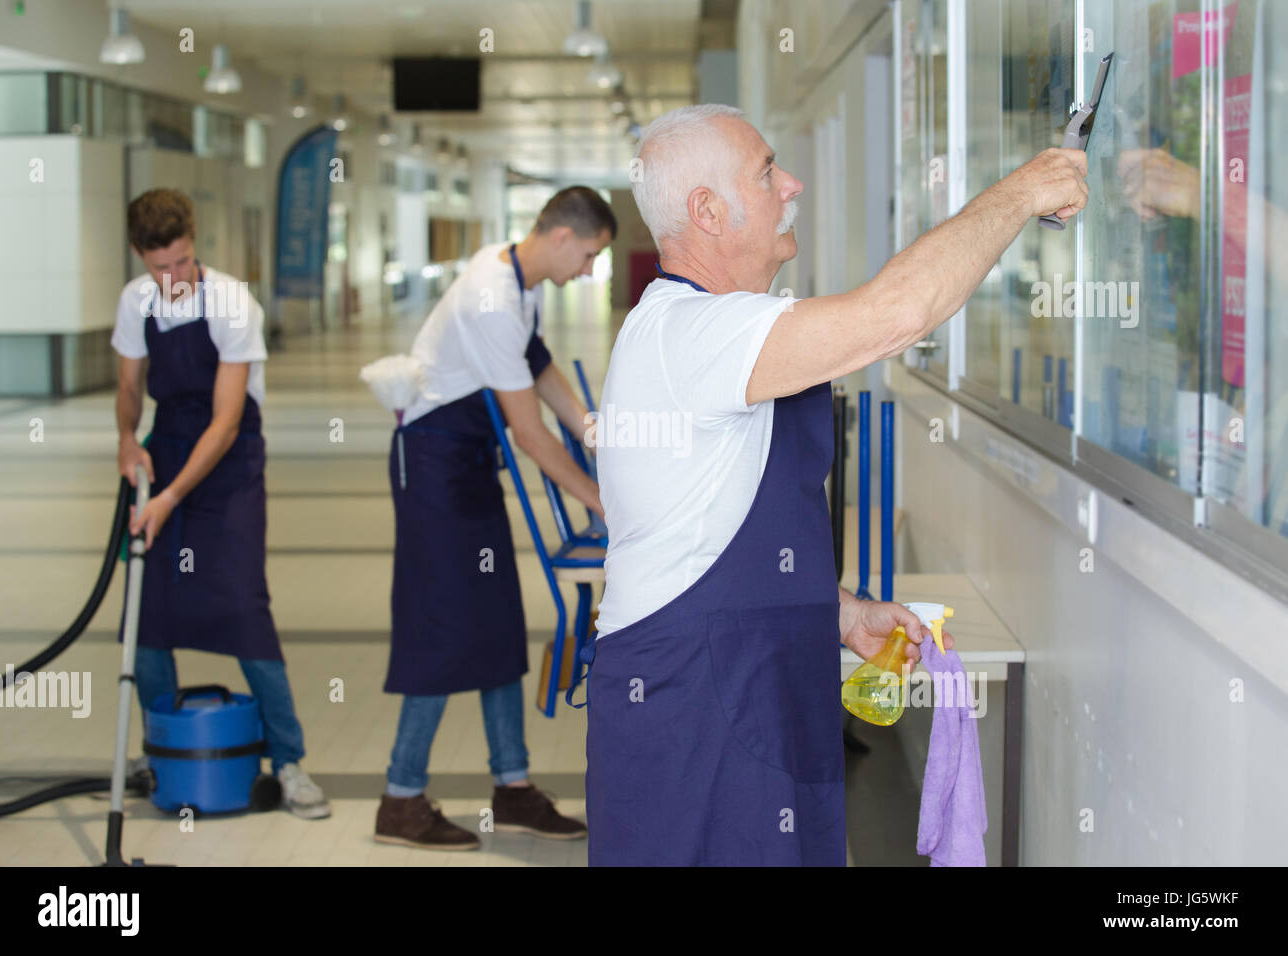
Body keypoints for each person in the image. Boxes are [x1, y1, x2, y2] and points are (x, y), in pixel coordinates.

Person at [585, 103, 1088, 865]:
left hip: (759, 693)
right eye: (766, 171)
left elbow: (716, 522)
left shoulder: (730, 326)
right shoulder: (690, 334)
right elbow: (898, 314)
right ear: (708, 211)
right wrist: (1023, 191)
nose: (792, 184)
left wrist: (841, 612)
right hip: (693, 716)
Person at [374, 186, 613, 851]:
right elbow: (531, 435)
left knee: (499, 624)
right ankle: (400, 798)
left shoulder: (516, 277)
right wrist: (603, 501)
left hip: (466, 465)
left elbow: (538, 365)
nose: (589, 271)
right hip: (430, 467)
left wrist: (596, 433)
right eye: (590, 256)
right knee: (443, 630)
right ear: (563, 237)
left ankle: (512, 788)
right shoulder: (490, 295)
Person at [112, 188, 329, 819]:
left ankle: (288, 761)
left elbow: (228, 419)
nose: (171, 278)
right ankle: (162, 751)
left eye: (181, 262)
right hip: (166, 450)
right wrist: (129, 440)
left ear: (194, 244)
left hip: (227, 465)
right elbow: (130, 387)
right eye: (159, 266)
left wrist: (173, 497)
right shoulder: (136, 301)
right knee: (147, 612)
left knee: (241, 604)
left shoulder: (232, 302)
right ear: (139, 256)